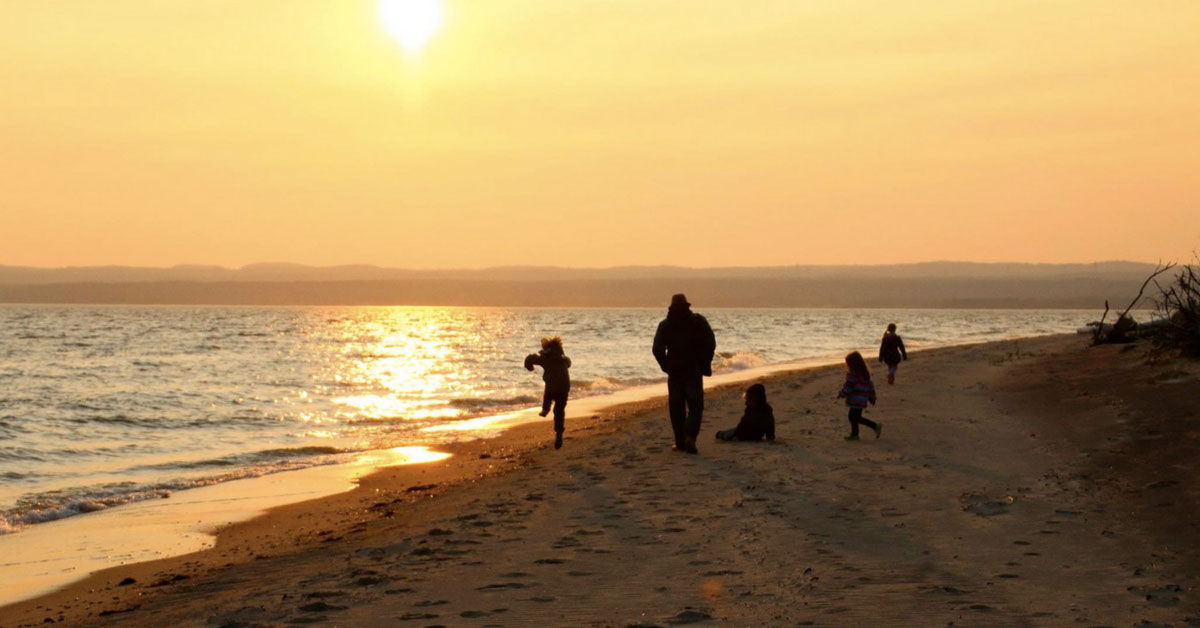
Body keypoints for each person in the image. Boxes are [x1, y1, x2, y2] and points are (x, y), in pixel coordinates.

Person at [652, 293, 716, 454]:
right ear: (687, 305)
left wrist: (666, 365)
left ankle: (680, 442)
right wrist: (705, 361)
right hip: (693, 369)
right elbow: (711, 342)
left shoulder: (665, 325)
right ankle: (690, 437)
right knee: (695, 406)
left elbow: (657, 349)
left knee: (676, 407)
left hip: (675, 370)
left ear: (671, 307)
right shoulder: (698, 321)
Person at [525, 336, 571, 449]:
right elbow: (569, 363)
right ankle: (559, 432)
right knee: (559, 411)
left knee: (548, 394)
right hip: (564, 387)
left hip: (553, 387)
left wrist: (529, 366)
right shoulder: (563, 359)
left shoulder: (545, 359)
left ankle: (545, 409)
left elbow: (531, 358)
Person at [837, 350, 881, 441]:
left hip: (855, 399)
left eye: (848, 364)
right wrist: (872, 396)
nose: (847, 366)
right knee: (854, 417)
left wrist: (842, 394)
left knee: (854, 417)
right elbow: (870, 386)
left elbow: (848, 387)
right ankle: (855, 434)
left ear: (852, 364)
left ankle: (874, 426)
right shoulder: (865, 374)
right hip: (862, 400)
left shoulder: (853, 375)